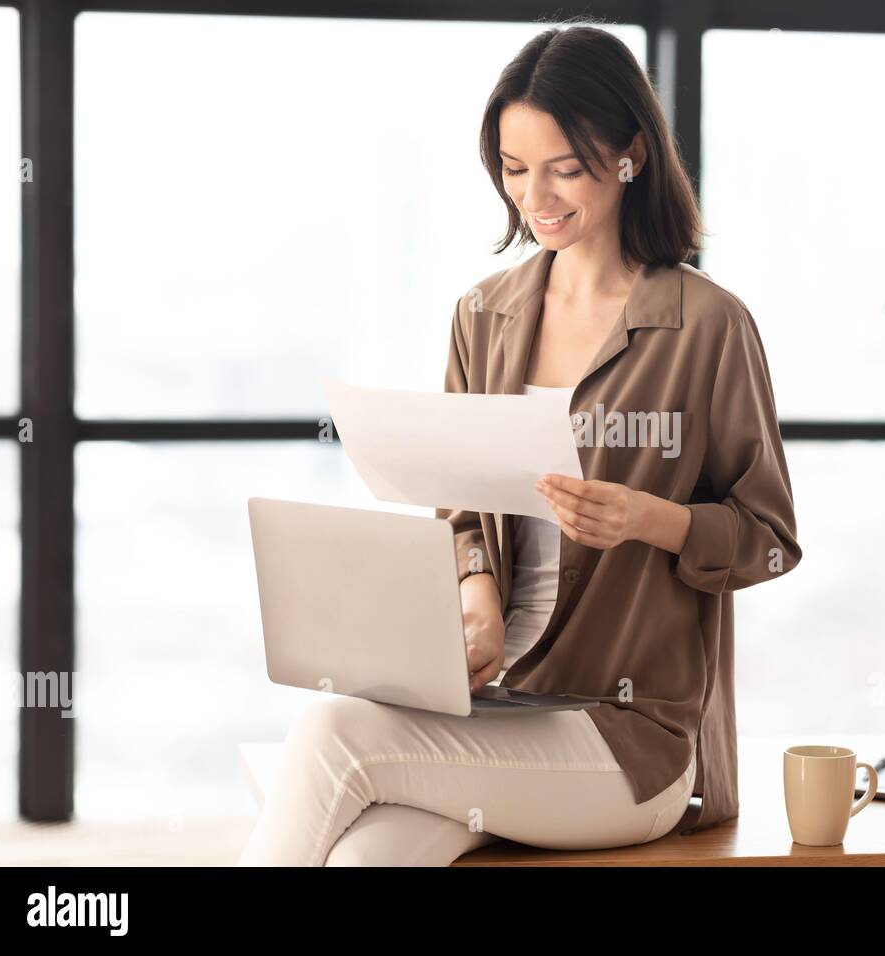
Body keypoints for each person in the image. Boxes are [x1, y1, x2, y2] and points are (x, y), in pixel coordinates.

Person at [238, 21, 801, 867]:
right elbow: (463, 510)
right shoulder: (484, 313)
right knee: (368, 859)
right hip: (499, 707)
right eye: (513, 169)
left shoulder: (707, 326)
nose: (534, 197)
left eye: (564, 168)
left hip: (629, 740)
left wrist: (652, 519)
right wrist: (476, 599)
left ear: (629, 156)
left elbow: (770, 541)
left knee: (331, 734)